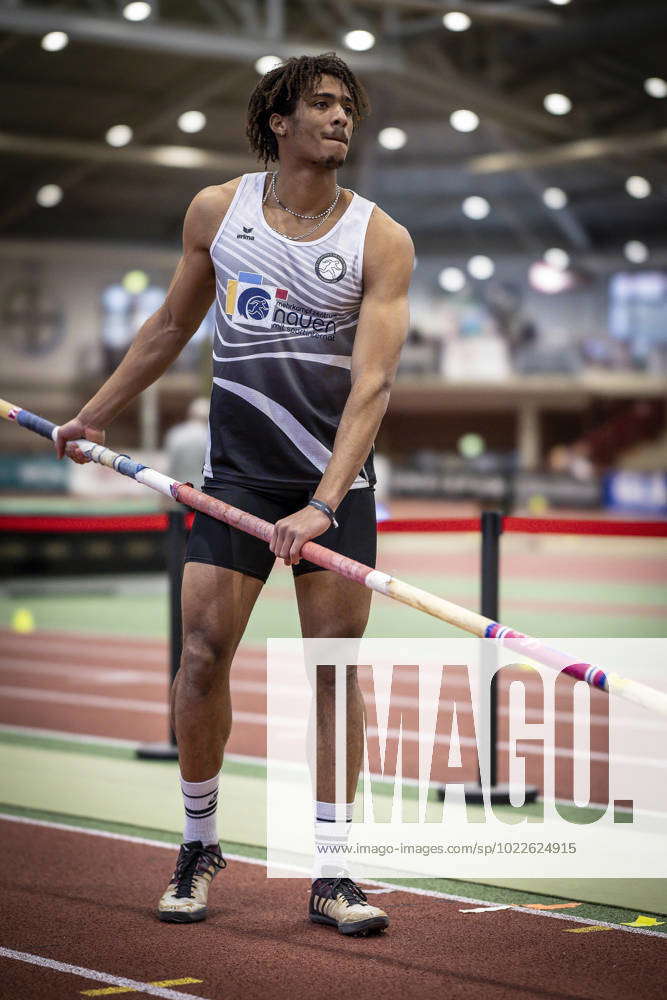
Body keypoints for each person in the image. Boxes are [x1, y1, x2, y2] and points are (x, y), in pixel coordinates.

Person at [55, 52, 414, 936]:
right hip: (235, 480)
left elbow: (372, 385)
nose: (340, 120)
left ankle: (332, 872)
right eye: (321, 105)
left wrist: (323, 505)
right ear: (278, 122)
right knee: (204, 652)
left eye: (347, 108)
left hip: (332, 484)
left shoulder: (379, 238)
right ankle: (198, 843)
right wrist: (93, 415)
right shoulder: (221, 212)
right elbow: (173, 324)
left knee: (332, 673)